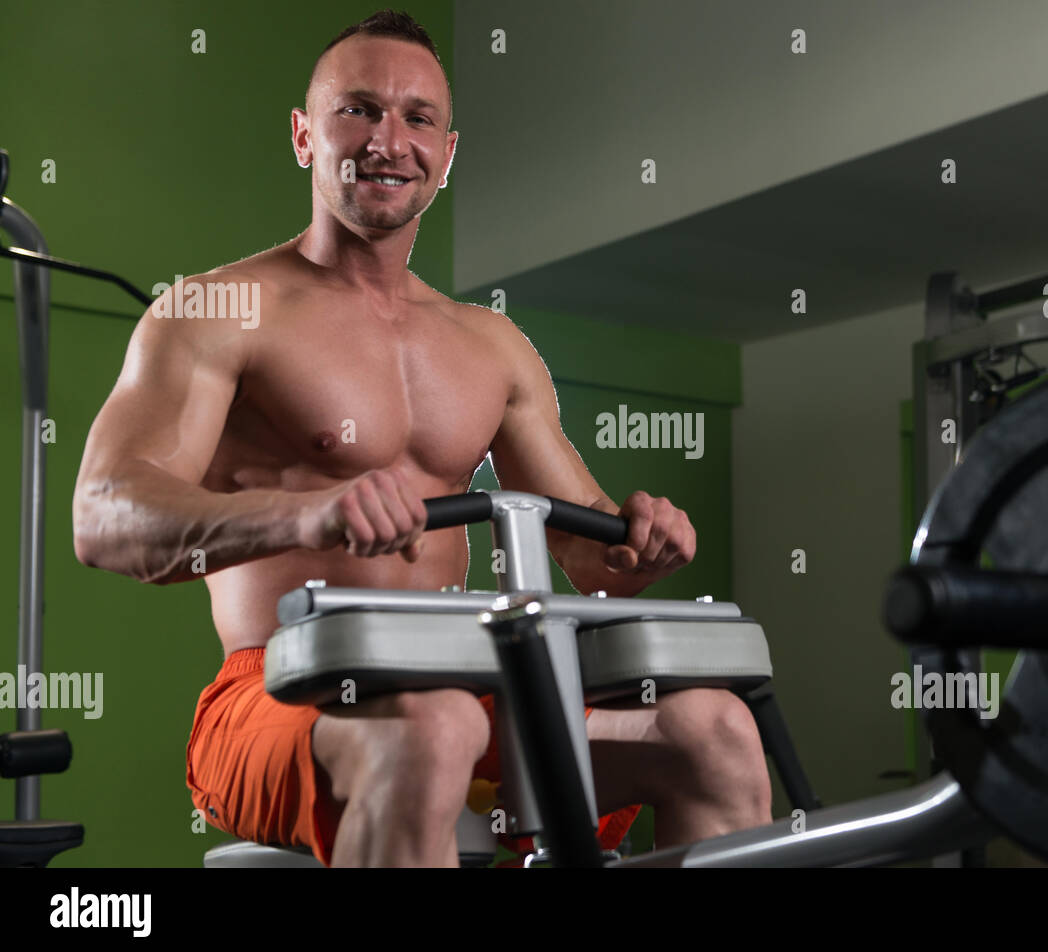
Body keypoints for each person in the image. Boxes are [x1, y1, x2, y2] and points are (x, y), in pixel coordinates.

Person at [71, 9, 771, 867]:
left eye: (418, 117)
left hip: (477, 690)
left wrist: (643, 538)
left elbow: (590, 554)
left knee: (716, 728)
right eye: (357, 110)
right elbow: (104, 518)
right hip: (282, 687)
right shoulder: (218, 311)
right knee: (430, 726)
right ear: (302, 136)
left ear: (446, 151)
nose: (388, 139)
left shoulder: (490, 344)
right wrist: (303, 517)